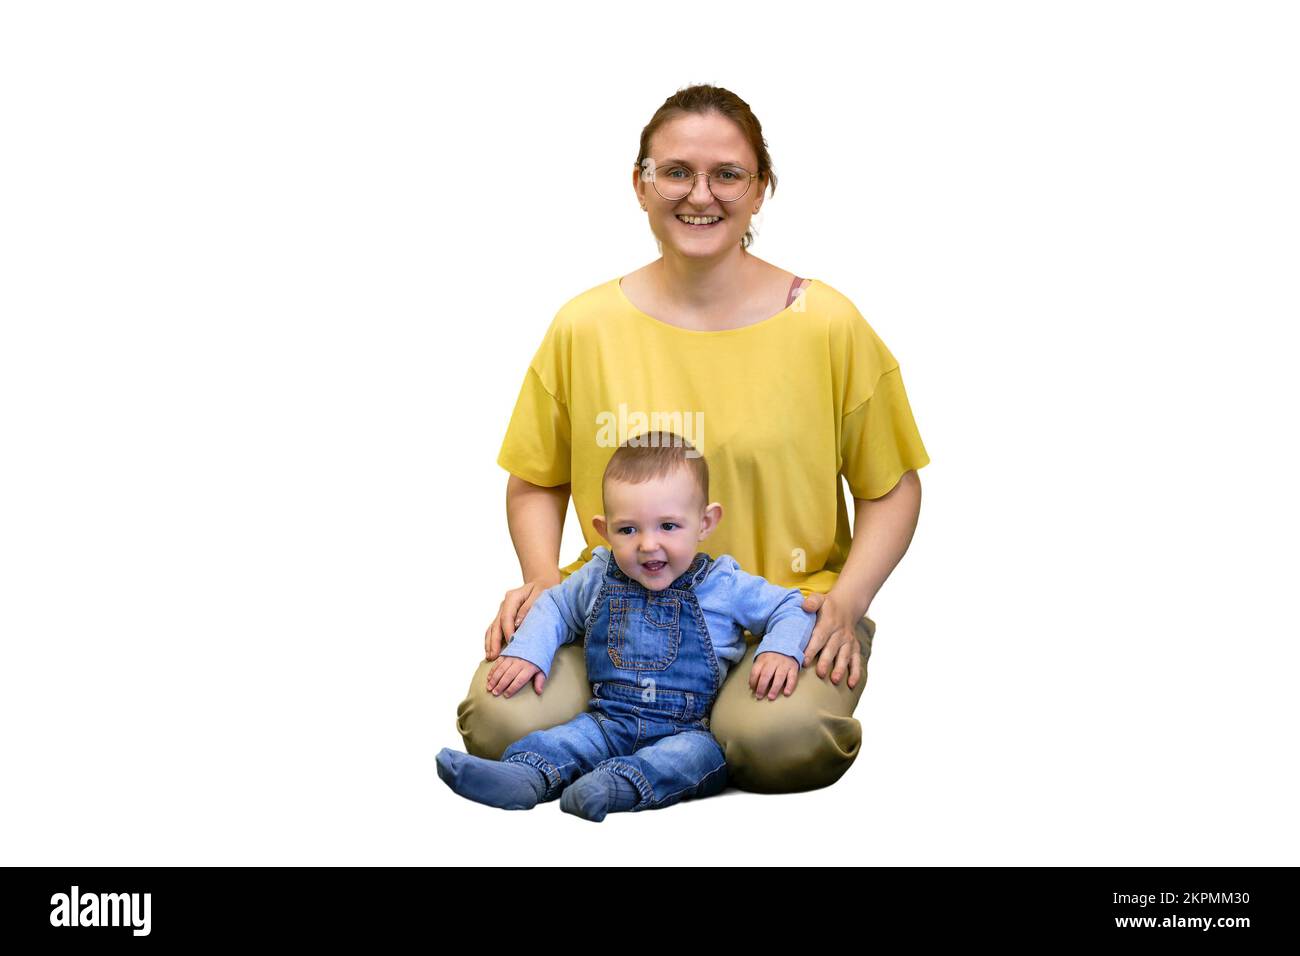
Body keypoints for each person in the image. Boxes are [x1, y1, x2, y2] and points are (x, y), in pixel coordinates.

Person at [456, 83, 930, 793]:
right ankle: (670, 743)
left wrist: (848, 602)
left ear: (761, 188)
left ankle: (665, 744)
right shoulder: (583, 327)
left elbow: (891, 489)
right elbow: (535, 476)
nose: (699, 194)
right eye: (676, 171)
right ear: (640, 185)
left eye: (727, 174)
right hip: (617, 613)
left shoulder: (828, 325)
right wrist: (542, 581)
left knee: (783, 743)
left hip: (780, 616)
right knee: (499, 724)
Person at [436, 433, 816, 821]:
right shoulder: (600, 574)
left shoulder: (723, 584)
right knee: (564, 740)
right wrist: (530, 650)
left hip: (687, 729)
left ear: (705, 523)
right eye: (628, 530)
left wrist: (778, 648)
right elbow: (555, 604)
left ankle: (616, 786)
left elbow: (792, 605)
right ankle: (523, 775)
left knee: (691, 759)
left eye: (668, 526)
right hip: (606, 720)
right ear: (605, 529)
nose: (648, 545)